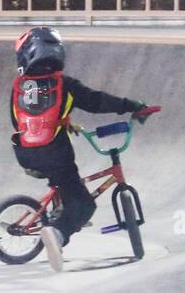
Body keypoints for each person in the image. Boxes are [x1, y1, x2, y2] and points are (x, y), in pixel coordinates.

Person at [9, 26, 154, 270]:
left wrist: (62, 121)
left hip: (24, 153)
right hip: (55, 154)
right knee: (85, 205)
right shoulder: (64, 84)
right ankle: (57, 233)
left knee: (63, 182)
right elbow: (97, 101)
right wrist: (133, 106)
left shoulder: (19, 87)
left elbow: (18, 120)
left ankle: (60, 208)